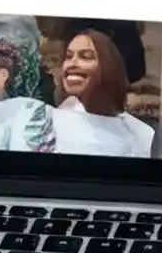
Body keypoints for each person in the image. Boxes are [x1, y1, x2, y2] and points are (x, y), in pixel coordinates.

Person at [51, 29, 154, 157]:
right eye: (69, 56)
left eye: (86, 57)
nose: (72, 63)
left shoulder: (140, 135)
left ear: (109, 68)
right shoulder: (46, 123)